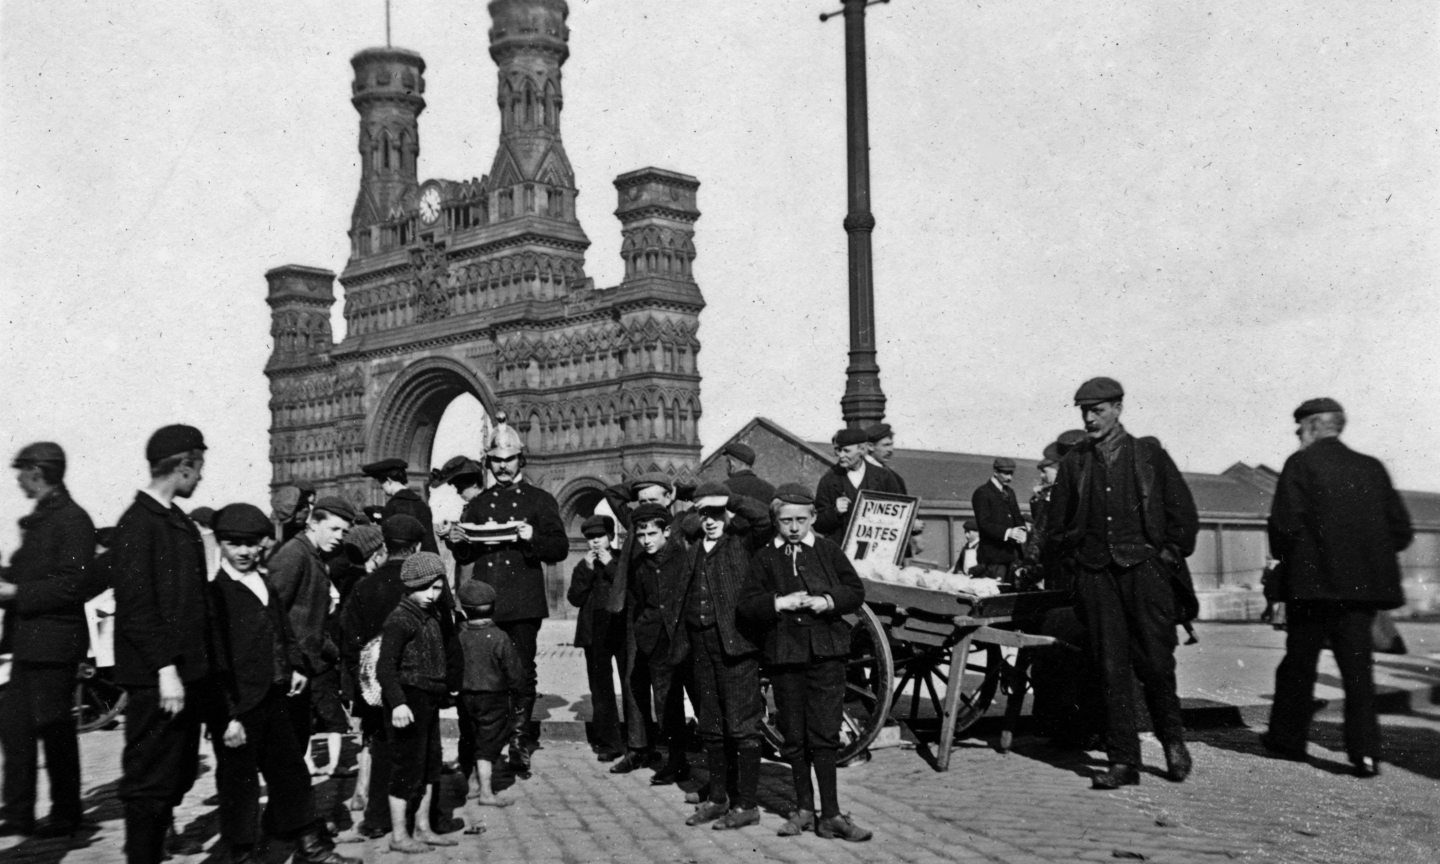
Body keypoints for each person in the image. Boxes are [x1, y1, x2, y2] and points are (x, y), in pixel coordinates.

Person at [1045, 378, 1199, 789]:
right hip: (1097, 576)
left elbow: (1182, 515)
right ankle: (1123, 761)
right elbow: (1056, 525)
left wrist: (1166, 555)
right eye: (1084, 411)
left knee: (1156, 662)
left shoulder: (1148, 454)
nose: (1089, 418)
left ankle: (1173, 742)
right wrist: (1076, 562)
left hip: (1146, 572)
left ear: (1118, 408)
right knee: (1110, 667)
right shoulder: (1077, 462)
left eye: (1097, 410)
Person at [1262, 398, 1414, 777]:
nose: (1298, 434)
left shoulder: (1301, 464)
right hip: (1360, 593)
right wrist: (1364, 558)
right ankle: (1365, 754)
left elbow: (1283, 526)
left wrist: (1297, 557)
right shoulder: (1372, 467)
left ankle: (1288, 741)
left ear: (1313, 426)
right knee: (1359, 673)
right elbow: (1401, 530)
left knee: (1299, 666)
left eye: (1300, 427)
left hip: (1311, 589)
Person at [206, 504, 358, 864]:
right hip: (240, 706)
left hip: (275, 694)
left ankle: (310, 848)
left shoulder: (261, 583)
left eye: (252, 544)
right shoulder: (216, 592)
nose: (244, 552)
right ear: (221, 545)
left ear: (263, 544)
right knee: (239, 786)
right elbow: (214, 659)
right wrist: (226, 716)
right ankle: (240, 854)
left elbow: (284, 629)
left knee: (291, 771)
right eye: (234, 544)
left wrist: (296, 666)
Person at [738, 483, 872, 842]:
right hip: (785, 656)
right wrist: (779, 603)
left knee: (825, 734)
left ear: (814, 518)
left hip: (826, 654)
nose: (794, 527)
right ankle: (802, 809)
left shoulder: (828, 551)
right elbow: (747, 604)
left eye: (801, 519)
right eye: (786, 521)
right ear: (775, 521)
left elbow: (855, 591)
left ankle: (830, 814)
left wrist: (827, 601)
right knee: (794, 734)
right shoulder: (765, 557)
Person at [111, 424, 214, 864]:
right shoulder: (140, 523)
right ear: (184, 465)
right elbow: (136, 608)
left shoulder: (174, 522)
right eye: (199, 468)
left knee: (174, 777)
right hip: (159, 681)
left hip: (181, 676)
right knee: (149, 785)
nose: (202, 478)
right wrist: (166, 670)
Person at [447, 422, 568, 776]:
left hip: (524, 601)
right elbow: (466, 556)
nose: (502, 466)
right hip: (485, 603)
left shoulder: (540, 500)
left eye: (509, 459)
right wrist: (456, 539)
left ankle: (518, 740)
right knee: (483, 675)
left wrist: (533, 538)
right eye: (495, 461)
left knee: (522, 671)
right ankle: (485, 742)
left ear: (521, 460)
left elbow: (559, 548)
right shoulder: (480, 503)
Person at [0, 442, 97, 838]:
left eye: (21, 472)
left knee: (55, 729)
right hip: (27, 644)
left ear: (37, 473)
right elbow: (30, 572)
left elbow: (74, 585)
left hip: (54, 644)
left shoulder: (72, 520)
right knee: (14, 727)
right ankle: (18, 812)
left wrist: (15, 594)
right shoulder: (42, 519)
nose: (18, 480)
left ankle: (66, 812)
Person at [670, 482, 771, 830]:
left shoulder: (743, 542)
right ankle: (717, 797)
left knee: (743, 726)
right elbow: (680, 523)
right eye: (705, 514)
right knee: (711, 725)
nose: (711, 521)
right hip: (701, 647)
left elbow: (763, 519)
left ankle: (746, 804)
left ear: (727, 514)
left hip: (736, 647)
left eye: (717, 514)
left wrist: (730, 499)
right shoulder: (694, 545)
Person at [336, 514, 427, 839]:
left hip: (375, 685)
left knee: (382, 747)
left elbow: (349, 639)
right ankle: (419, 819)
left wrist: (357, 684)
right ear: (416, 547)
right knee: (416, 749)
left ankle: (376, 818)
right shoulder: (423, 584)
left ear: (385, 546)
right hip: (417, 685)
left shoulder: (364, 586)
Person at [376, 552, 459, 854]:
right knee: (406, 768)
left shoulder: (431, 614)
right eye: (426, 588)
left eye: (438, 589)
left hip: (427, 701)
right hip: (407, 703)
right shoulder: (400, 619)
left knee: (429, 765)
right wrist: (398, 703)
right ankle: (400, 834)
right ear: (410, 585)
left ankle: (423, 827)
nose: (432, 595)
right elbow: (385, 666)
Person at [268, 497, 356, 777]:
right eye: (334, 529)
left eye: (344, 532)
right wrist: (288, 664)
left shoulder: (312, 556)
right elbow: (272, 613)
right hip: (291, 671)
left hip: (305, 667)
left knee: (297, 742)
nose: (340, 538)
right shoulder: (294, 554)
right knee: (288, 748)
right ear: (313, 522)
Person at [624, 503, 692, 785]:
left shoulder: (683, 558)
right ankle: (677, 762)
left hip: (685, 640)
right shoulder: (640, 565)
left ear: (666, 531)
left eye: (652, 534)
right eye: (641, 536)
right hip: (657, 643)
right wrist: (644, 630)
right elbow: (640, 600)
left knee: (701, 701)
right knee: (666, 704)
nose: (647, 541)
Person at [455, 578, 523, 810]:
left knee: (469, 736)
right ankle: (486, 791)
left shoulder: (460, 636)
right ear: (494, 608)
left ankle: (471, 783)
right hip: (493, 697)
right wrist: (518, 691)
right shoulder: (500, 637)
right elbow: (515, 672)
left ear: (464, 610)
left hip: (465, 696)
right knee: (487, 744)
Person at [566, 515, 624, 760]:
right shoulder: (583, 566)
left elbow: (627, 587)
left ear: (611, 537)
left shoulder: (621, 559)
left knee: (631, 685)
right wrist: (588, 571)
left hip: (620, 628)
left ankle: (637, 742)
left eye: (599, 537)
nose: (595, 542)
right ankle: (609, 742)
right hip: (594, 631)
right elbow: (574, 599)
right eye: (590, 538)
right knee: (600, 688)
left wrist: (610, 564)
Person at [814, 428, 905, 546]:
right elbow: (818, 524)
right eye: (838, 450)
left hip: (876, 550)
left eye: (846, 451)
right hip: (841, 553)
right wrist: (835, 511)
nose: (841, 455)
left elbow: (899, 515)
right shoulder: (829, 480)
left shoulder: (884, 477)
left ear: (862, 449)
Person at [972, 457, 1028, 587]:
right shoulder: (982, 493)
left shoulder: (1010, 492)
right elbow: (983, 523)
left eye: (1011, 473)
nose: (1010, 478)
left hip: (1012, 557)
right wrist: (1008, 532)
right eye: (1006, 473)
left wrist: (1022, 530)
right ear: (995, 472)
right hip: (993, 558)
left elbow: (1017, 516)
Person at [364, 458, 438, 553]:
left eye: (381, 483)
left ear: (389, 480)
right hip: (427, 560)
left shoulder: (392, 506)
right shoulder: (421, 504)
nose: (381, 487)